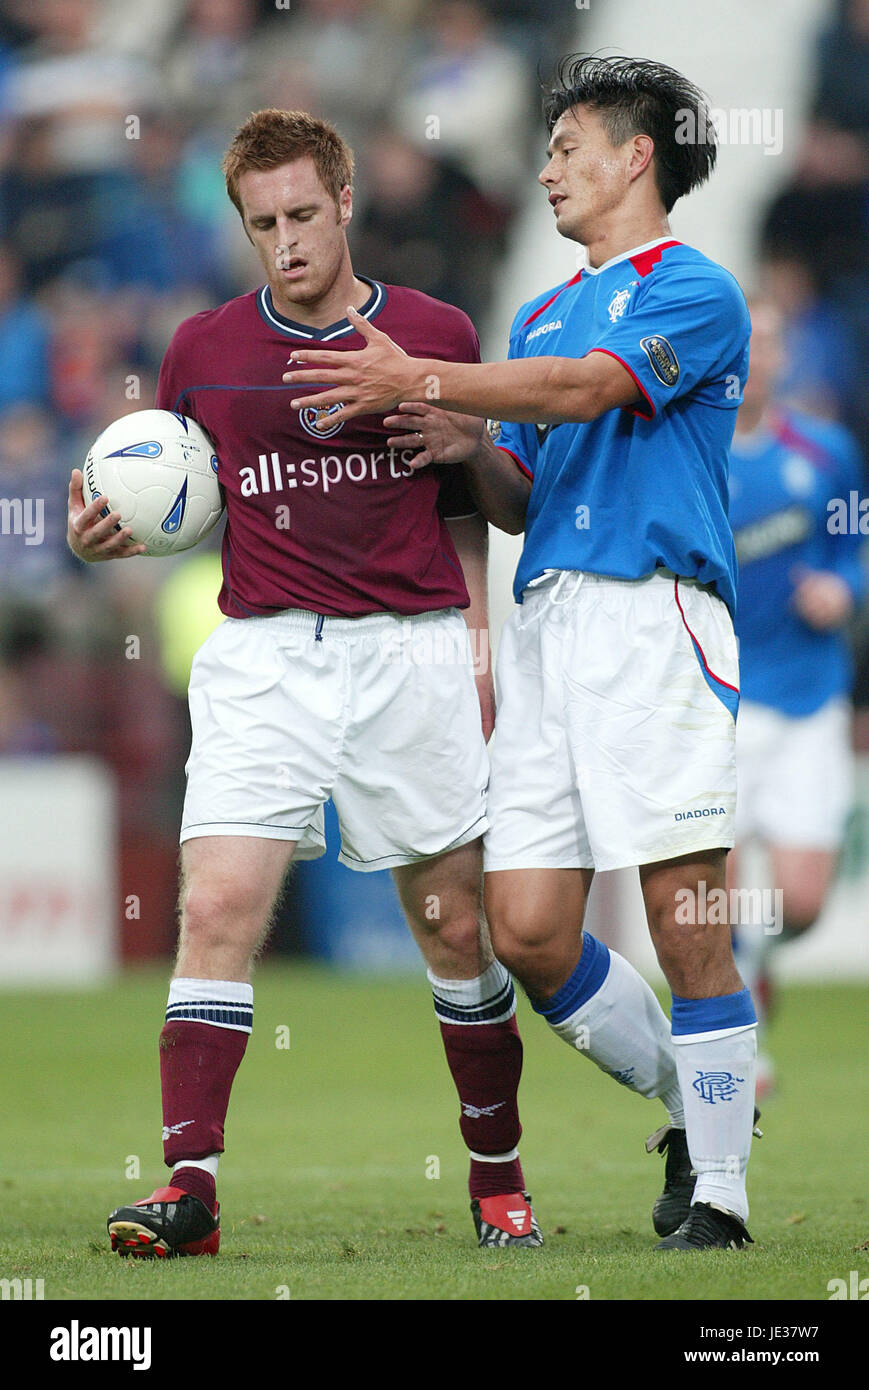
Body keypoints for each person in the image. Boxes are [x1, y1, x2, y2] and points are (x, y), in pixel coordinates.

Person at [284, 55, 762, 1251]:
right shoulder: (540, 311)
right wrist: (462, 445)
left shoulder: (693, 290)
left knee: (684, 916)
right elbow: (518, 496)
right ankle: (692, 1103)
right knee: (529, 928)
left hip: (653, 614)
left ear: (634, 156)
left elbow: (584, 391)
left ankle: (720, 1194)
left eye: (565, 147)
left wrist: (418, 370)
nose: (546, 169)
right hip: (546, 621)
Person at [67, 108, 543, 1256]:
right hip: (264, 655)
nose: (284, 241)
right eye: (261, 224)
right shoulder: (202, 352)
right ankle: (189, 1186)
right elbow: (182, 497)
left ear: (343, 203)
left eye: (300, 215)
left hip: (410, 648)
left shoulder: (432, 330)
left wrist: (473, 486)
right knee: (217, 906)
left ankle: (497, 1177)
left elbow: (491, 508)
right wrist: (107, 538)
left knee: (453, 925)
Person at [727, 300, 865, 1097]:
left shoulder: (826, 450)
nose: (754, 359)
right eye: (742, 345)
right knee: (713, 890)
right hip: (719, 699)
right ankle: (736, 1048)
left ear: (782, 358)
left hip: (810, 696)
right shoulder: (690, 453)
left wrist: (844, 589)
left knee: (802, 902)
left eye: (767, 344)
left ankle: (756, 959)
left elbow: (855, 545)